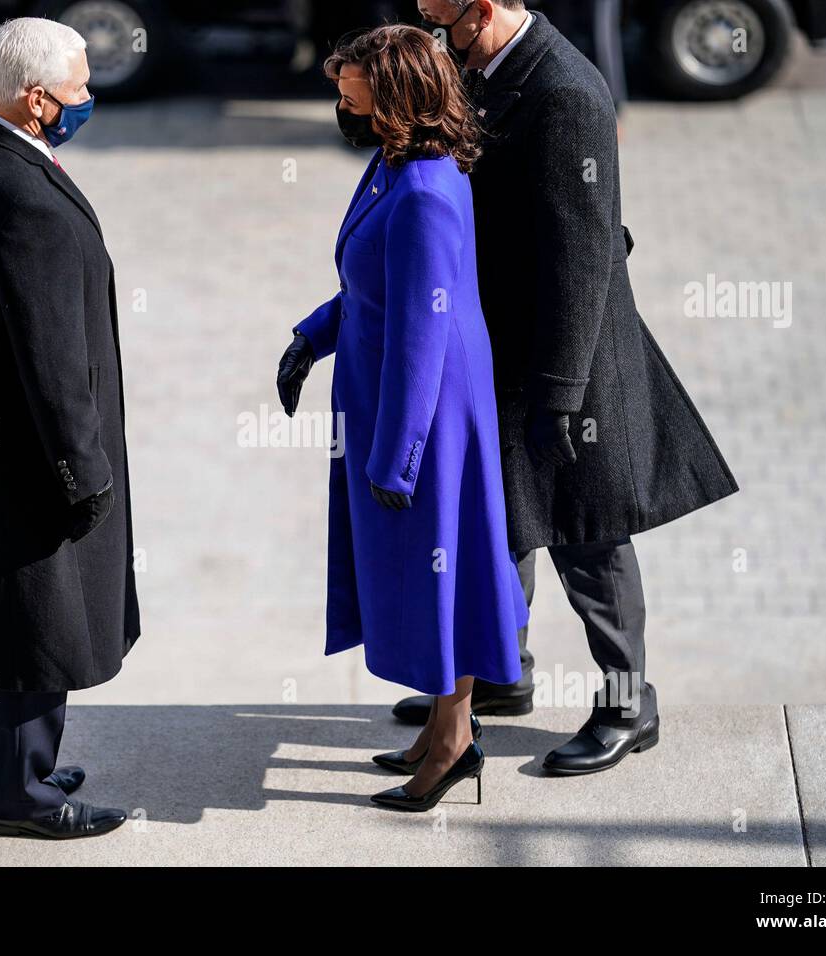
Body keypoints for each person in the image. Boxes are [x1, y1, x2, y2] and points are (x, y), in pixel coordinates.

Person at [400, 0, 739, 774]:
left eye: (440, 18)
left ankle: (629, 704)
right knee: (504, 521)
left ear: (482, 11)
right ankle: (499, 673)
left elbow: (586, 255)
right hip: (510, 351)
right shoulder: (490, 68)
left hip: (568, 366)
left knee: (590, 538)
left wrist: (560, 392)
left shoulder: (564, 91)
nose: (432, 33)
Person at [277, 24, 529, 812]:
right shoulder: (392, 166)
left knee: (437, 572)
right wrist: (310, 338)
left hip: (420, 411)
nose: (342, 106)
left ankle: (453, 741)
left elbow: (422, 335)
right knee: (427, 571)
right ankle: (444, 729)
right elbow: (370, 289)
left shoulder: (423, 193)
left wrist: (399, 458)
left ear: (394, 99)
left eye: (352, 94)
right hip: (383, 391)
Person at [0, 17, 140, 839]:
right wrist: (83, 472)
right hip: (26, 454)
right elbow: (50, 359)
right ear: (37, 98)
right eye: (78, 87)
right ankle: (23, 796)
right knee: (34, 625)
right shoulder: (23, 201)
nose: (88, 97)